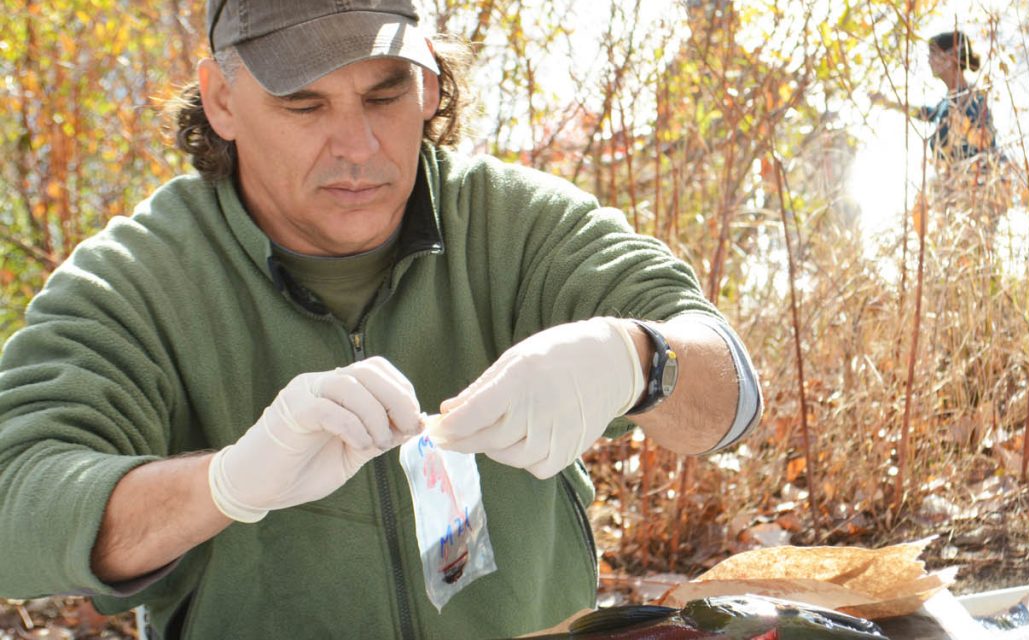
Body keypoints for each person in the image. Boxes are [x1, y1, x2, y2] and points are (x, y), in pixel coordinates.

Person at [0, 1, 762, 638]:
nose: (359, 148)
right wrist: (226, 484)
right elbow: (14, 504)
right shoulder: (140, 279)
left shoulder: (519, 227)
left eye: (384, 94)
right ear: (222, 99)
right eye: (304, 105)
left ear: (430, 84)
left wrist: (636, 359)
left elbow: (729, 392)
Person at [871, 31, 1008, 230]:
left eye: (933, 54)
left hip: (972, 207)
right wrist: (890, 104)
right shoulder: (948, 101)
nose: (929, 61)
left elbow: (986, 147)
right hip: (952, 203)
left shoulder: (973, 100)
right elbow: (928, 114)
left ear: (951, 56)